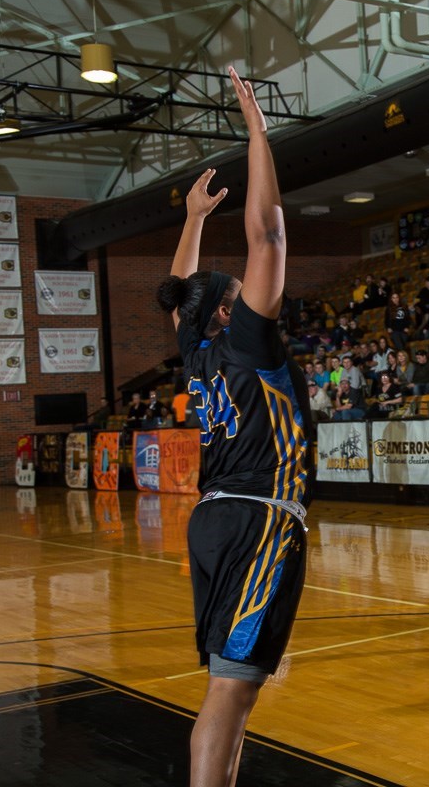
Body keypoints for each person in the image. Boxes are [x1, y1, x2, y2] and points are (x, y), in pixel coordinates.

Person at [155, 69, 312, 787]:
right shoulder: (246, 339)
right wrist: (257, 134)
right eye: (235, 291)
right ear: (230, 307)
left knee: (237, 687)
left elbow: (179, 297)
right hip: (258, 519)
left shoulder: (196, 352)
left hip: (215, 521)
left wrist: (191, 219)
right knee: (229, 685)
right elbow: (269, 233)